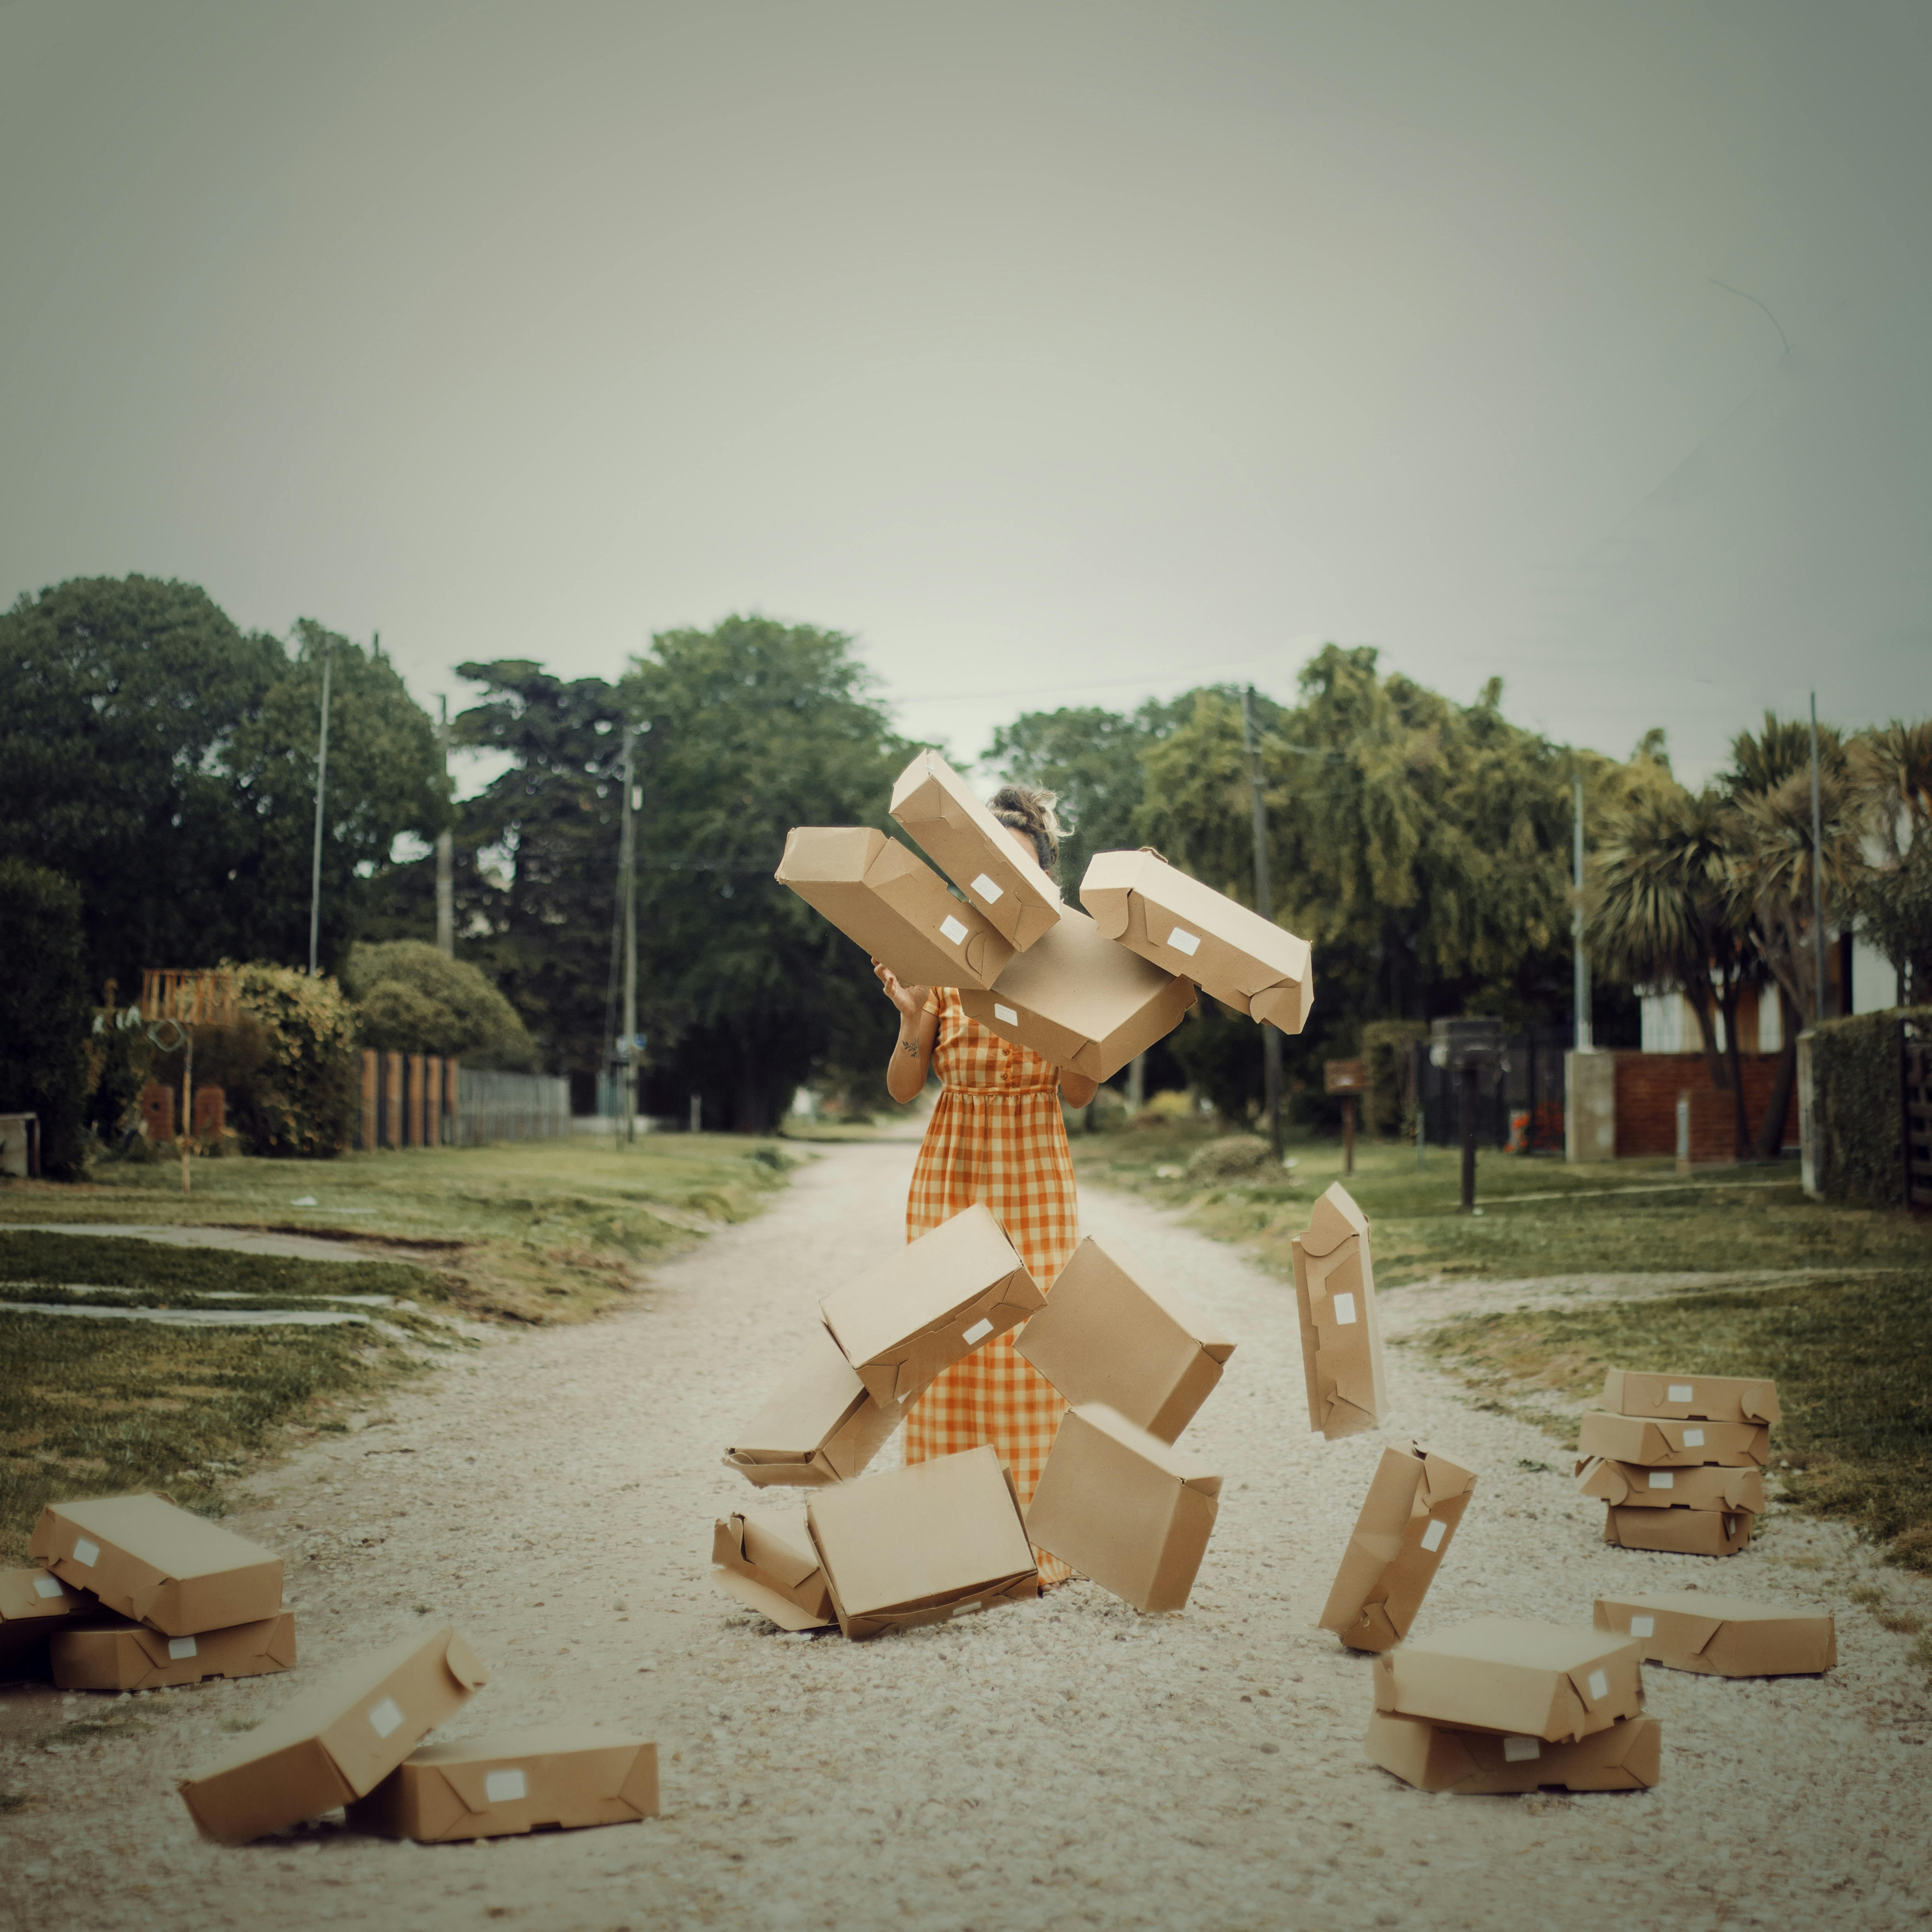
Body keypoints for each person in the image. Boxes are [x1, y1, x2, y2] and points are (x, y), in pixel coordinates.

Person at [874, 785, 1096, 1584]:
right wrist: (910, 1020)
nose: (1000, 882)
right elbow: (906, 1087)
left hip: (1034, 1169)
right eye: (986, 867)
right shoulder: (937, 961)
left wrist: (1077, 1029)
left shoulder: (1071, 965)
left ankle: (1033, 1540)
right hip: (953, 1169)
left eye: (1020, 866)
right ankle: (950, 1542)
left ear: (1044, 880)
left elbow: (1076, 1094)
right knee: (945, 1348)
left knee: (1027, 1352)